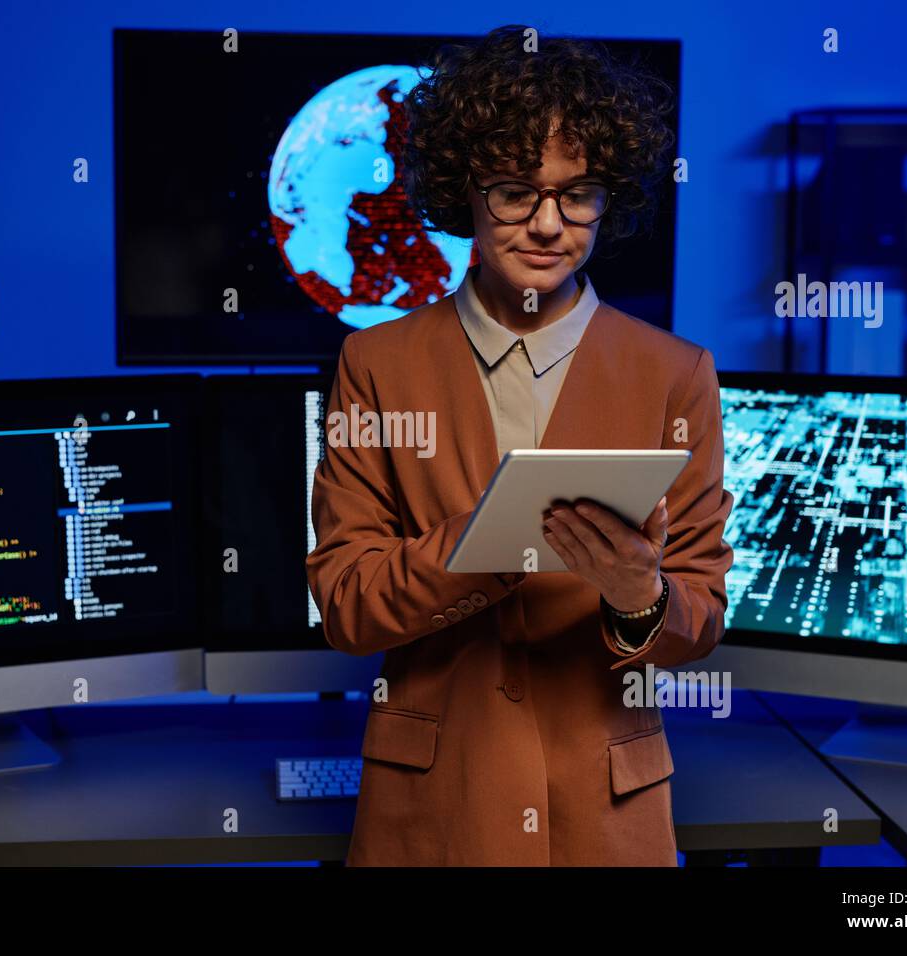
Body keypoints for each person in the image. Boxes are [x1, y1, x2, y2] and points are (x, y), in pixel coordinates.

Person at [306, 25, 734, 866]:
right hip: (432, 806)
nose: (548, 224)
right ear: (464, 190)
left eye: (579, 194)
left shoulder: (676, 374)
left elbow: (702, 617)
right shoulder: (377, 364)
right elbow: (347, 605)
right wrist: (493, 542)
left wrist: (639, 595)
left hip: (606, 812)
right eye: (515, 191)